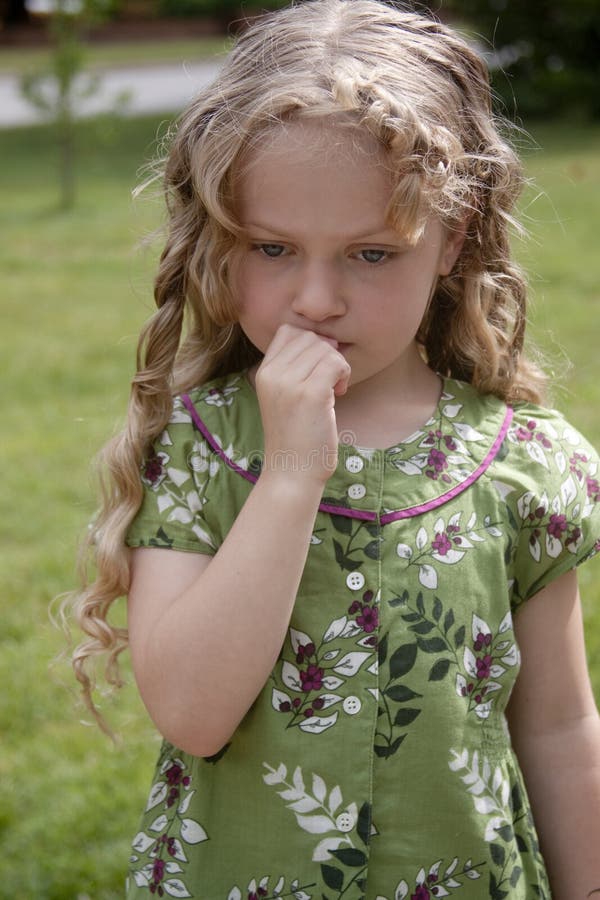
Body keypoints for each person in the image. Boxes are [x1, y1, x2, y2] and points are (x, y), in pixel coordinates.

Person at [67, 1, 600, 897]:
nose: (316, 298)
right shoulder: (207, 444)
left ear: (453, 240)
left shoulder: (520, 462)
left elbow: (555, 728)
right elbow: (194, 715)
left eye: (373, 255)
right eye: (273, 248)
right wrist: (289, 475)